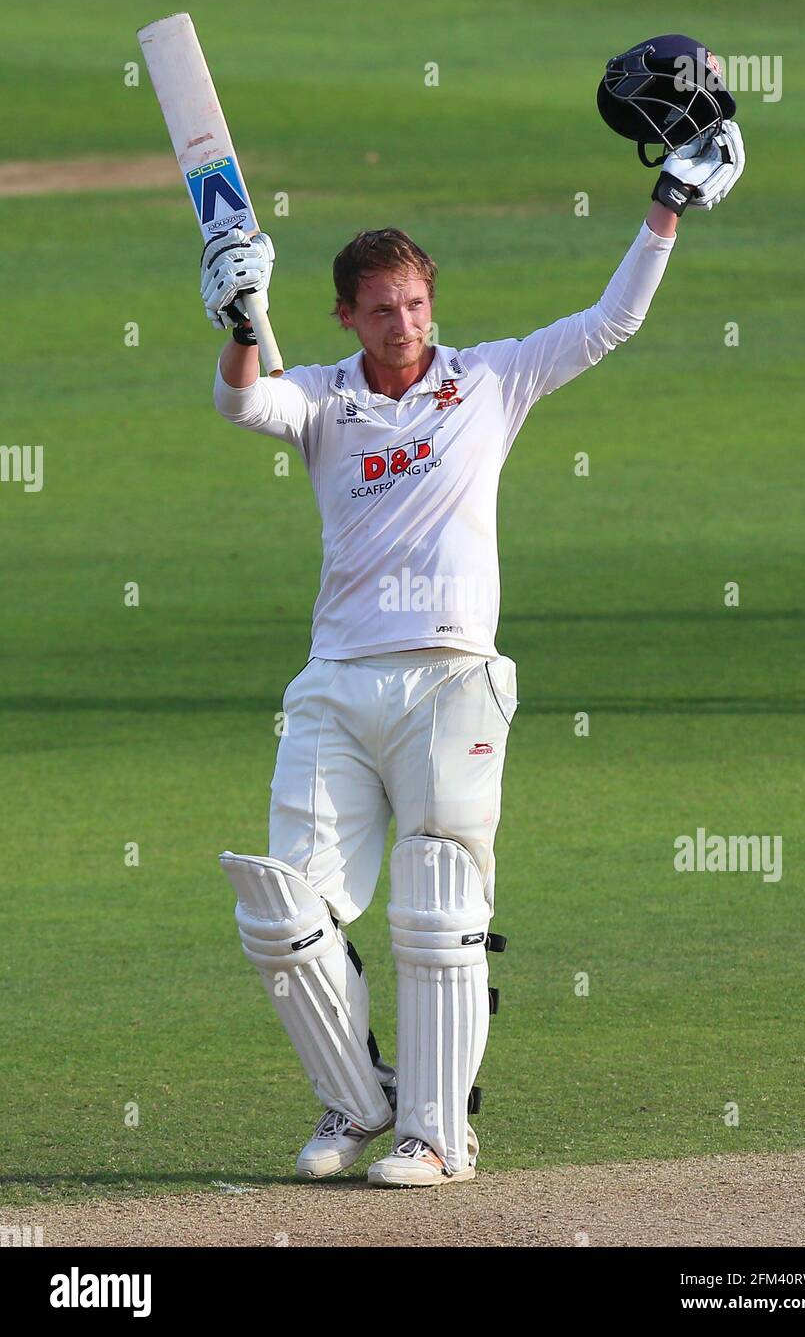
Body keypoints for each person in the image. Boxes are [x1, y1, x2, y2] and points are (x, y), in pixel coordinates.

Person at [205, 120, 745, 1187]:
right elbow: (240, 398)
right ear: (344, 315)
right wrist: (234, 320)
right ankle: (359, 1105)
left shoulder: (489, 380)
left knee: (439, 897)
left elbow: (609, 322)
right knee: (281, 907)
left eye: (413, 303)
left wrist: (666, 208)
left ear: (430, 300)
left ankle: (436, 1132)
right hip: (337, 679)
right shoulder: (319, 394)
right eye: (379, 309)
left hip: (452, 676)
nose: (401, 322)